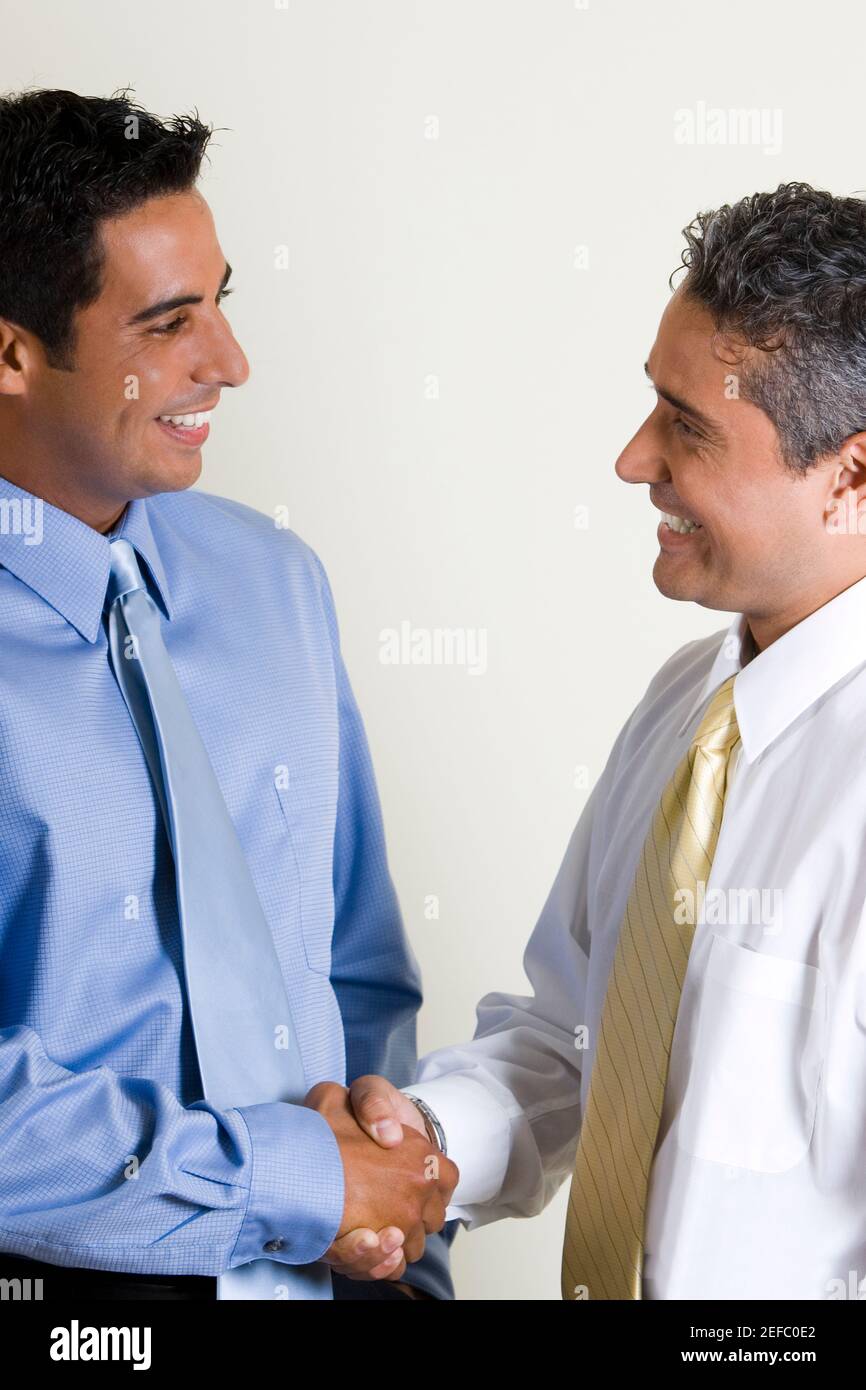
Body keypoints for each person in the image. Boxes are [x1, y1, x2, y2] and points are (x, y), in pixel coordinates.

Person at [346, 183, 866, 1300]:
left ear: (850, 478)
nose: (633, 461)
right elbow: (573, 1041)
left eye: (687, 427)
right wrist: (420, 1140)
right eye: (651, 406)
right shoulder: (687, 705)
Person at [0, 86, 458, 1302]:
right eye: (167, 323)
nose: (230, 363)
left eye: (222, 302)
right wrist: (288, 1181)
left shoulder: (274, 583)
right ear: (12, 351)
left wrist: (396, 1222)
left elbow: (355, 964)